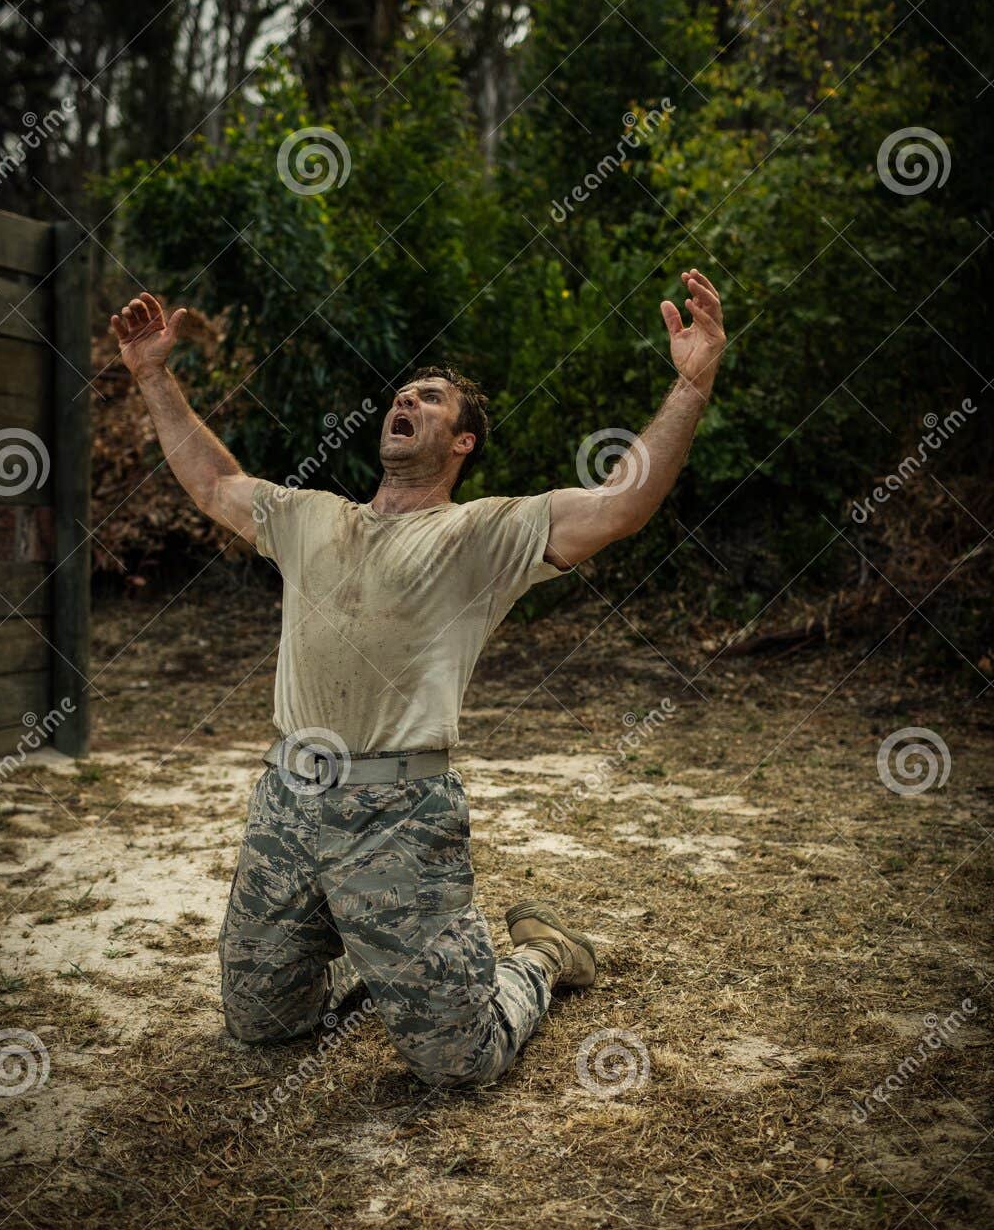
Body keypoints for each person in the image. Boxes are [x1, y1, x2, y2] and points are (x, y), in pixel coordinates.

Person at [109, 270, 726, 1086]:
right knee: (262, 1029)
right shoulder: (309, 516)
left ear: (462, 441)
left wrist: (690, 383)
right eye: (402, 395)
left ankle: (539, 956)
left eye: (429, 398)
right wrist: (153, 375)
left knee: (459, 1062)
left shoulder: (484, 533)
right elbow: (215, 482)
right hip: (285, 804)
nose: (406, 402)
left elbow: (621, 504)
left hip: (397, 816)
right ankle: (375, 956)